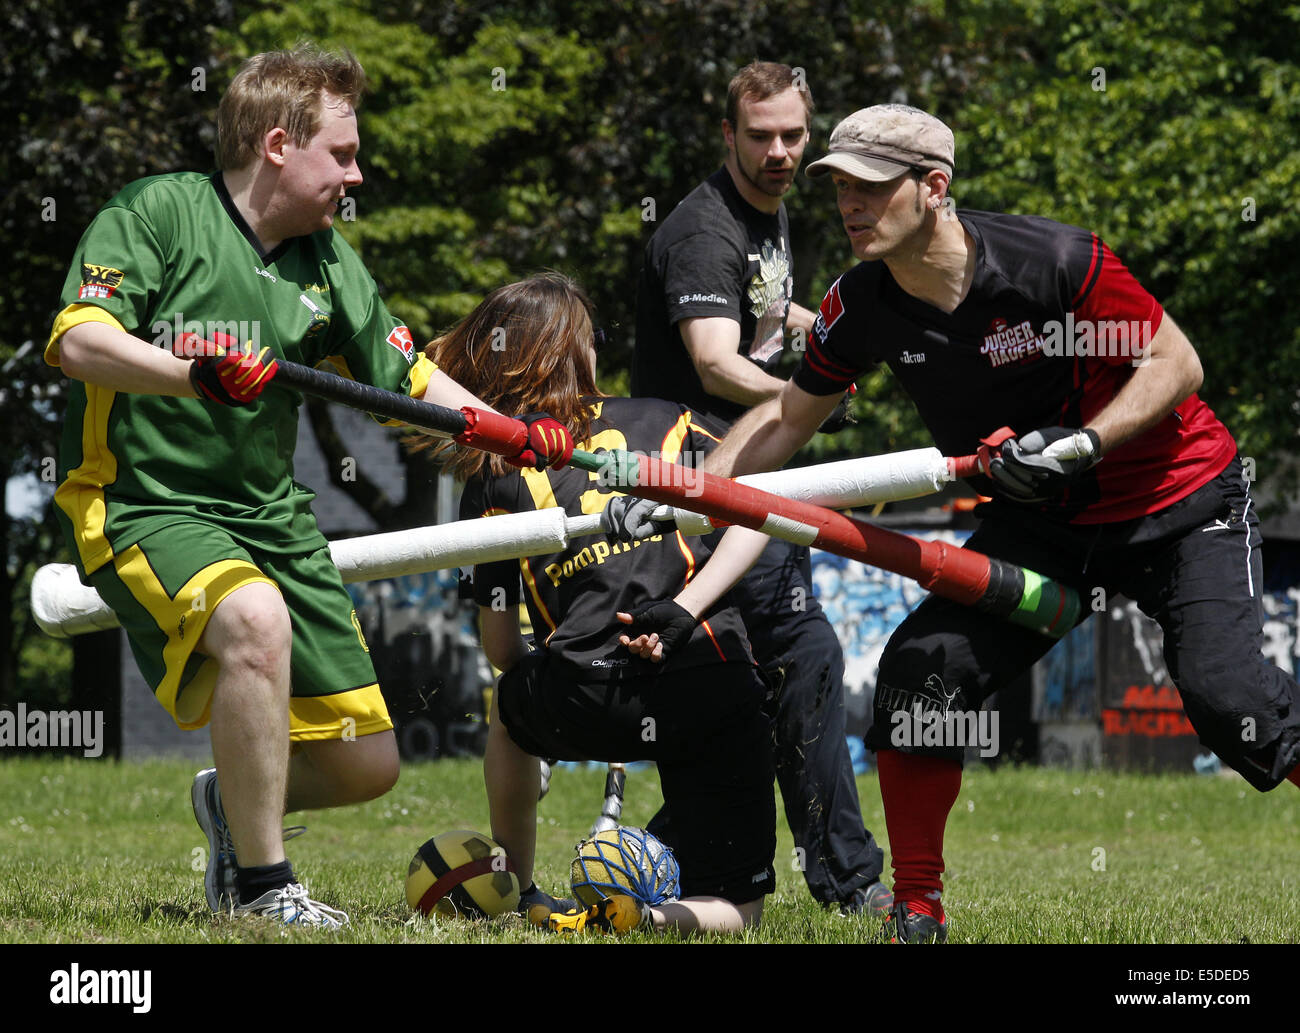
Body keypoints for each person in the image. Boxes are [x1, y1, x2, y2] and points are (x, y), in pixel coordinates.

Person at [624, 102, 1300, 943]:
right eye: (840, 188)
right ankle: (917, 911)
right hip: (1046, 529)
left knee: (1233, 705)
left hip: (1180, 502)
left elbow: (1179, 362)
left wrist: (1084, 442)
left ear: (933, 188)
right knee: (917, 677)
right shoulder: (858, 304)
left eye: (871, 188)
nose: (849, 206)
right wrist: (683, 490)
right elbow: (789, 421)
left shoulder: (1054, 262)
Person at [44, 45, 572, 929]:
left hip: (269, 519)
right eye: (344, 154)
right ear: (280, 144)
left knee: (369, 766)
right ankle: (262, 889)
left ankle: (228, 807)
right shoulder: (154, 214)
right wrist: (193, 375)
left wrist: (513, 435)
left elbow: (405, 375)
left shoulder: (326, 258)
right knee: (254, 620)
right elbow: (79, 341)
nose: (356, 174)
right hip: (144, 503)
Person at [429, 273, 777, 935]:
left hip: (581, 694)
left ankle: (520, 887)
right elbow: (757, 516)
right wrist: (684, 610)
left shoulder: (501, 474)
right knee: (741, 908)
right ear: (582, 352)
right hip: (708, 680)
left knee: (511, 707)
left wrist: (559, 657)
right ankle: (642, 917)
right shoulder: (672, 419)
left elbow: (502, 651)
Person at [629, 61, 891, 917]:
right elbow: (712, 357)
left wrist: (838, 338)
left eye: (793, 136)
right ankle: (846, 884)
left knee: (762, 677)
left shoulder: (770, 212)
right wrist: (807, 398)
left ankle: (656, 858)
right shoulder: (706, 231)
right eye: (761, 137)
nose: (780, 152)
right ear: (728, 136)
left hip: (745, 474)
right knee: (793, 659)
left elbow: (770, 321)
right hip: (707, 487)